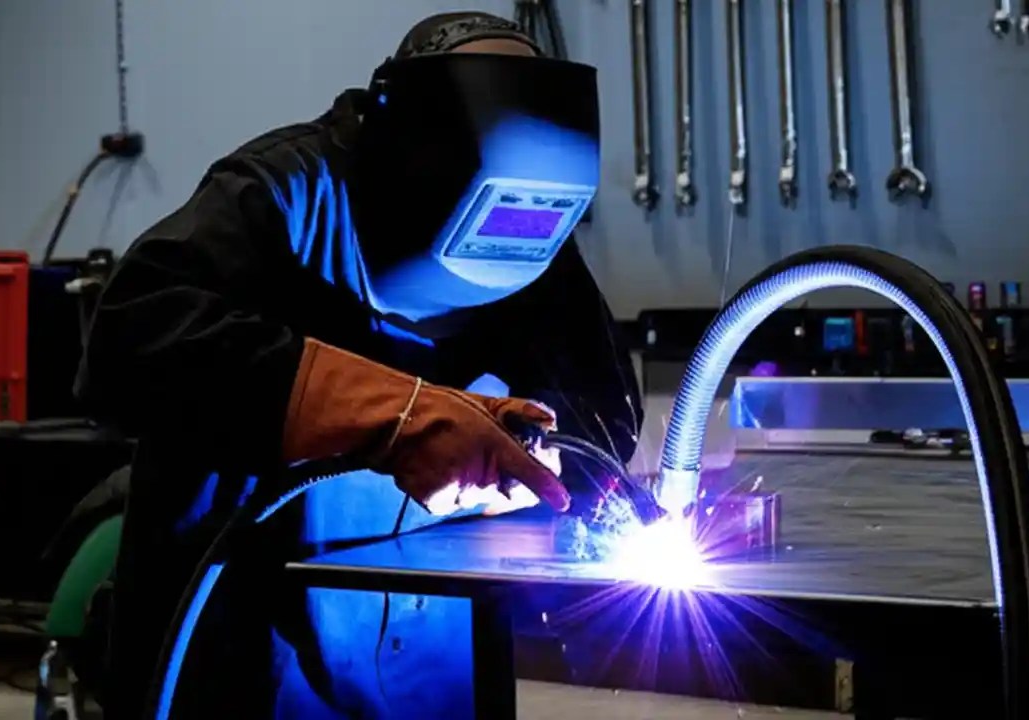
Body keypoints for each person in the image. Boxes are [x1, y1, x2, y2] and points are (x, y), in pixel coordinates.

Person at [78, 11, 642, 719]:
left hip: (427, 663)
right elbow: (132, 335)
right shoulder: (287, 190)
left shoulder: (527, 222)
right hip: (239, 646)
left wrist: (567, 466)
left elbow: (596, 411)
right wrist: (397, 415)